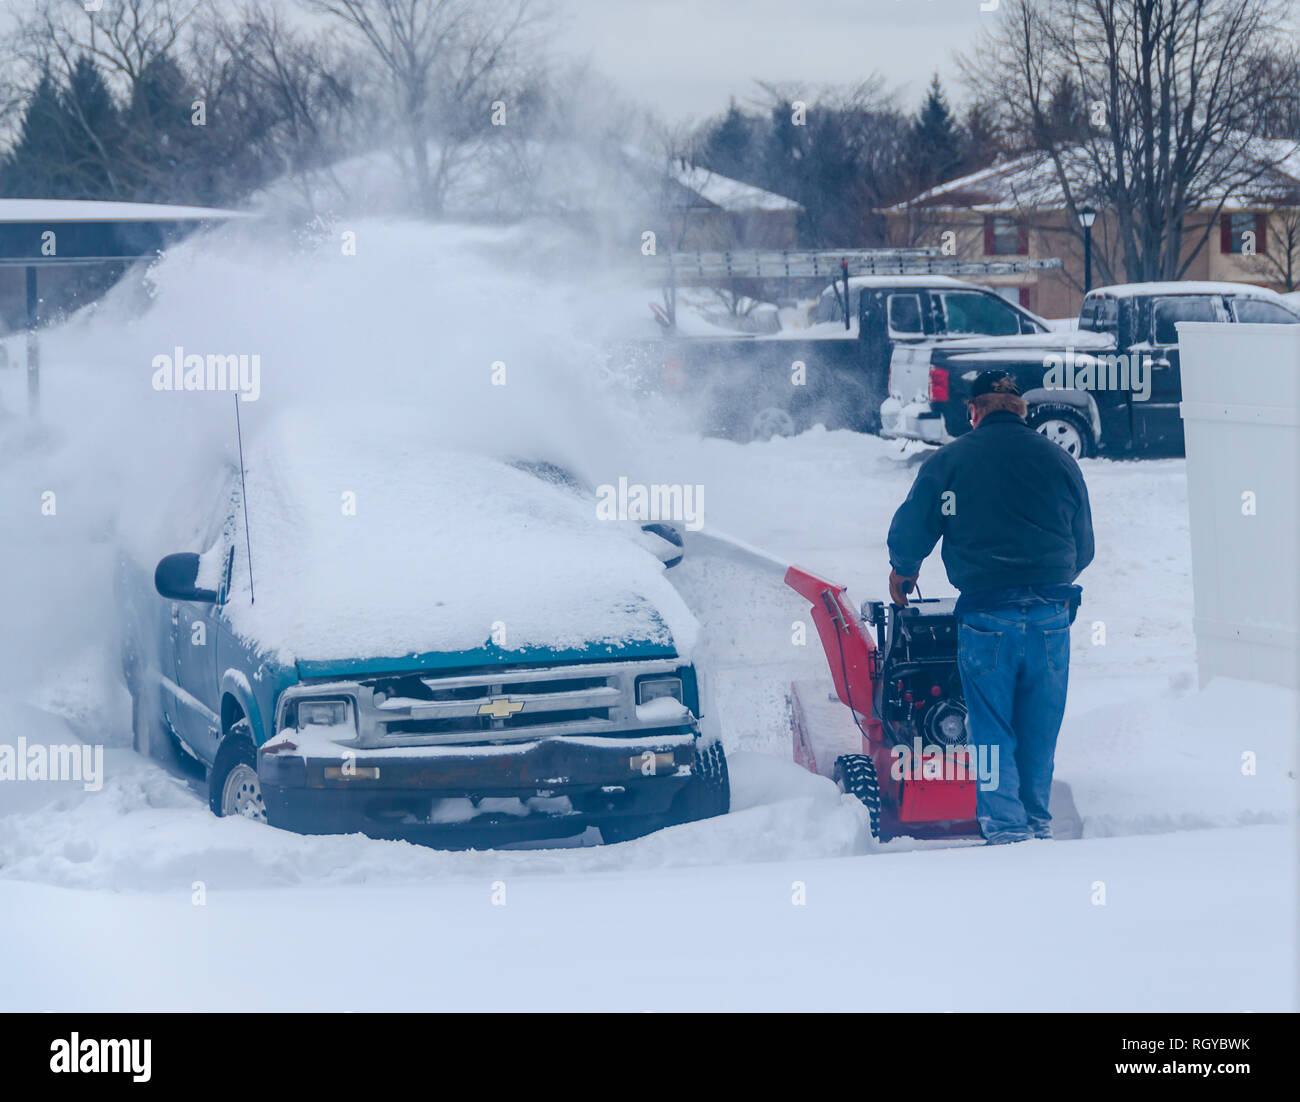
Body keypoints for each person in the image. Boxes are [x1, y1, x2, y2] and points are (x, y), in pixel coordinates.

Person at [886, 371, 1094, 844]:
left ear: (973, 412)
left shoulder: (952, 460)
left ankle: (1006, 833)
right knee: (1040, 726)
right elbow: (1083, 546)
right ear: (1020, 410)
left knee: (992, 730)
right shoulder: (1060, 459)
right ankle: (1038, 824)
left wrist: (904, 570)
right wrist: (1047, 581)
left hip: (987, 615)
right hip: (1051, 615)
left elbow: (914, 525)